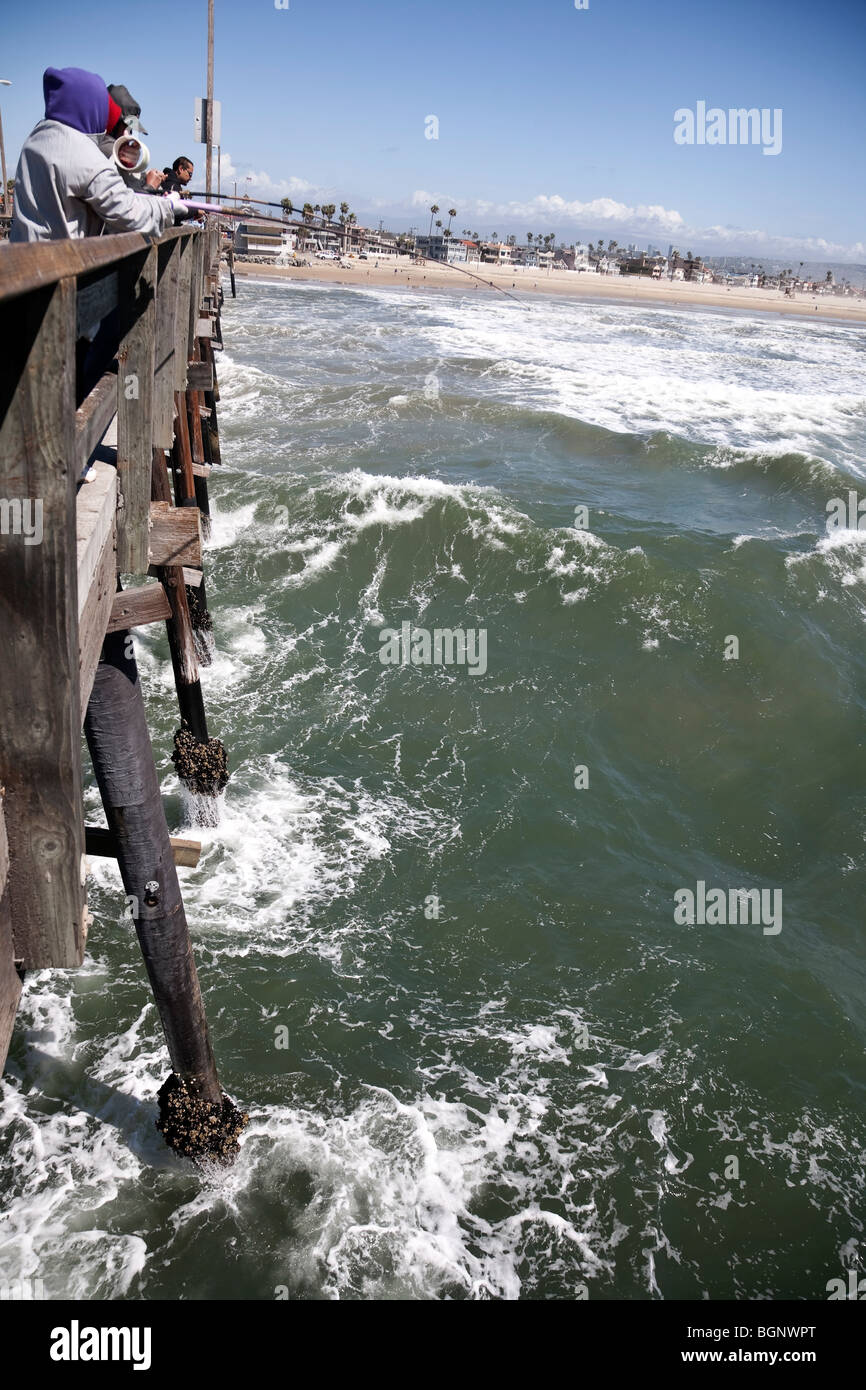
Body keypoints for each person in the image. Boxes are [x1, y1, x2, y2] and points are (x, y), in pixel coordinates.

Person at [9, 67, 189, 242]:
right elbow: (128, 212)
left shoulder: (35, 140)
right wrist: (168, 207)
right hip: (64, 267)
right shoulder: (84, 155)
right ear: (93, 109)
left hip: (22, 263)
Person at [96, 83, 164, 192]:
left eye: (131, 130)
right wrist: (150, 187)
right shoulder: (110, 152)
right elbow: (127, 203)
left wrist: (144, 178)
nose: (128, 135)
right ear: (113, 122)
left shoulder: (97, 146)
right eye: (127, 128)